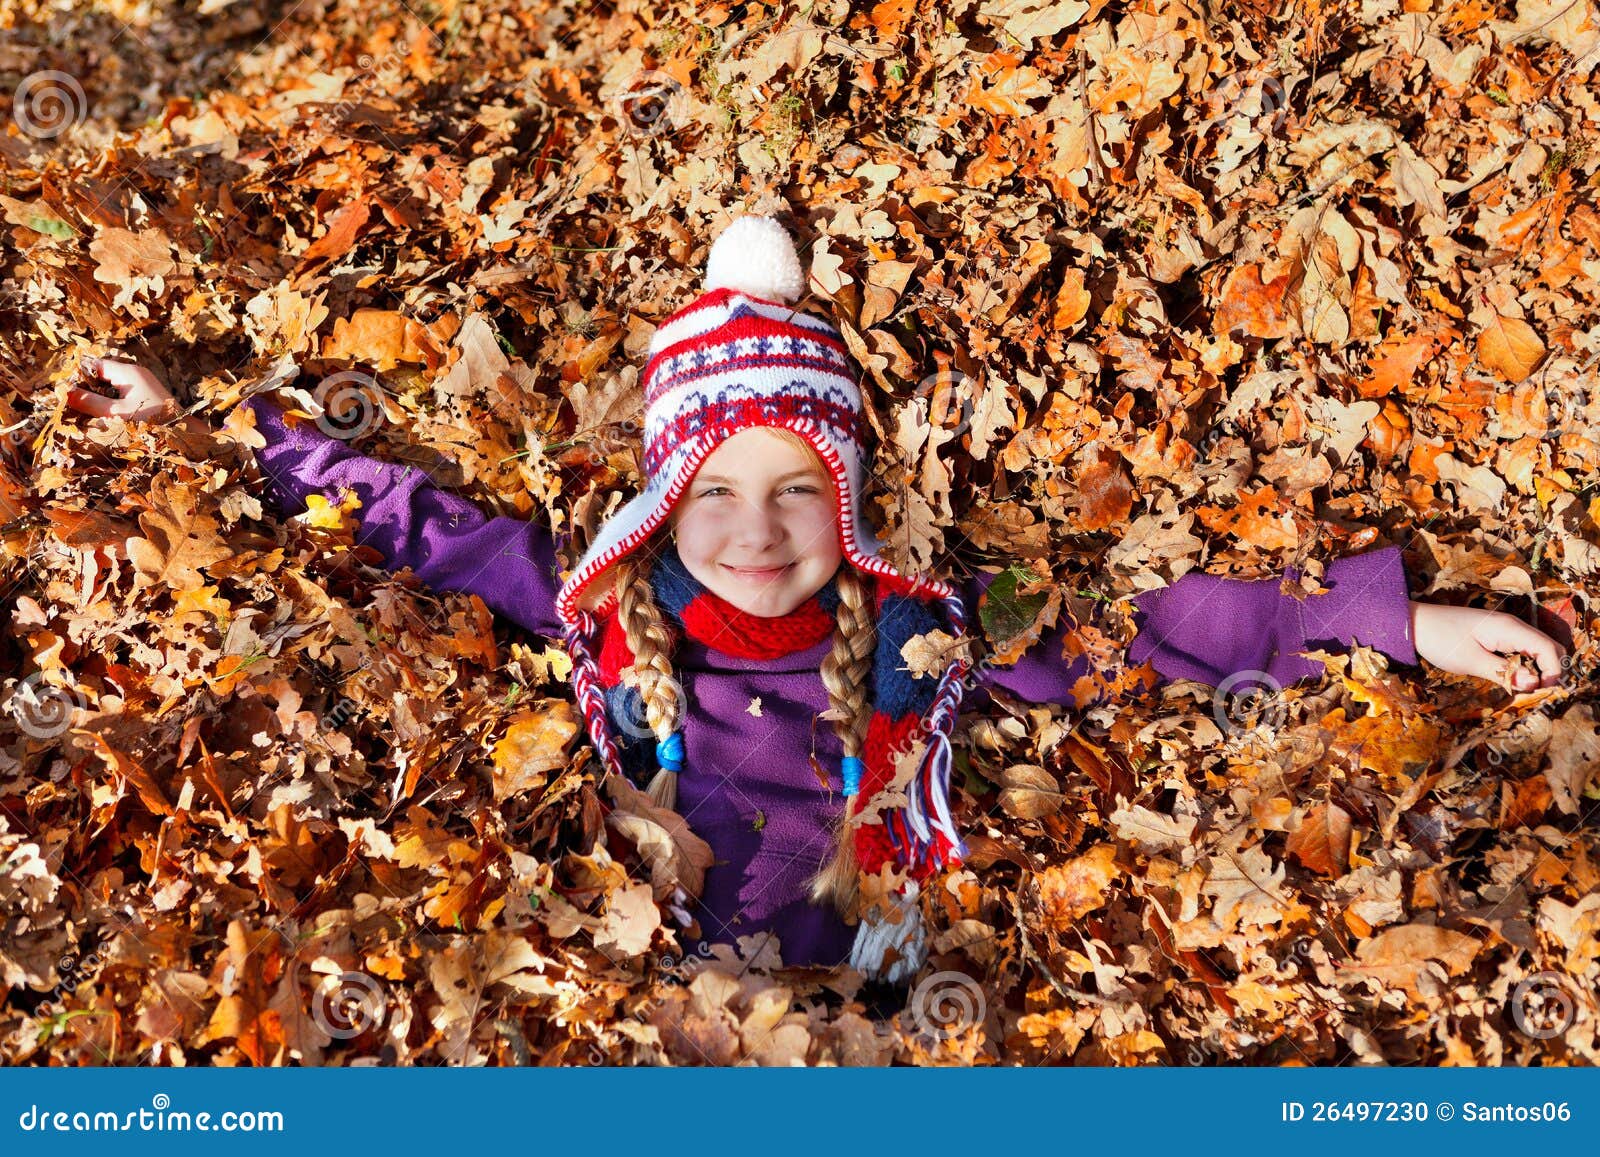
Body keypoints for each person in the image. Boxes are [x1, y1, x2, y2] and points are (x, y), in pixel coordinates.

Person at [65, 216, 1569, 985]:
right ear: (663, 499)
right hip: (636, 1011)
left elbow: (1165, 636)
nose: (757, 527)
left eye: (798, 488)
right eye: (714, 489)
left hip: (874, 1020)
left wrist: (1402, 624)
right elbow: (423, 526)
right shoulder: (607, 609)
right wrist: (207, 431)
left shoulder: (925, 637)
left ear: (848, 496)